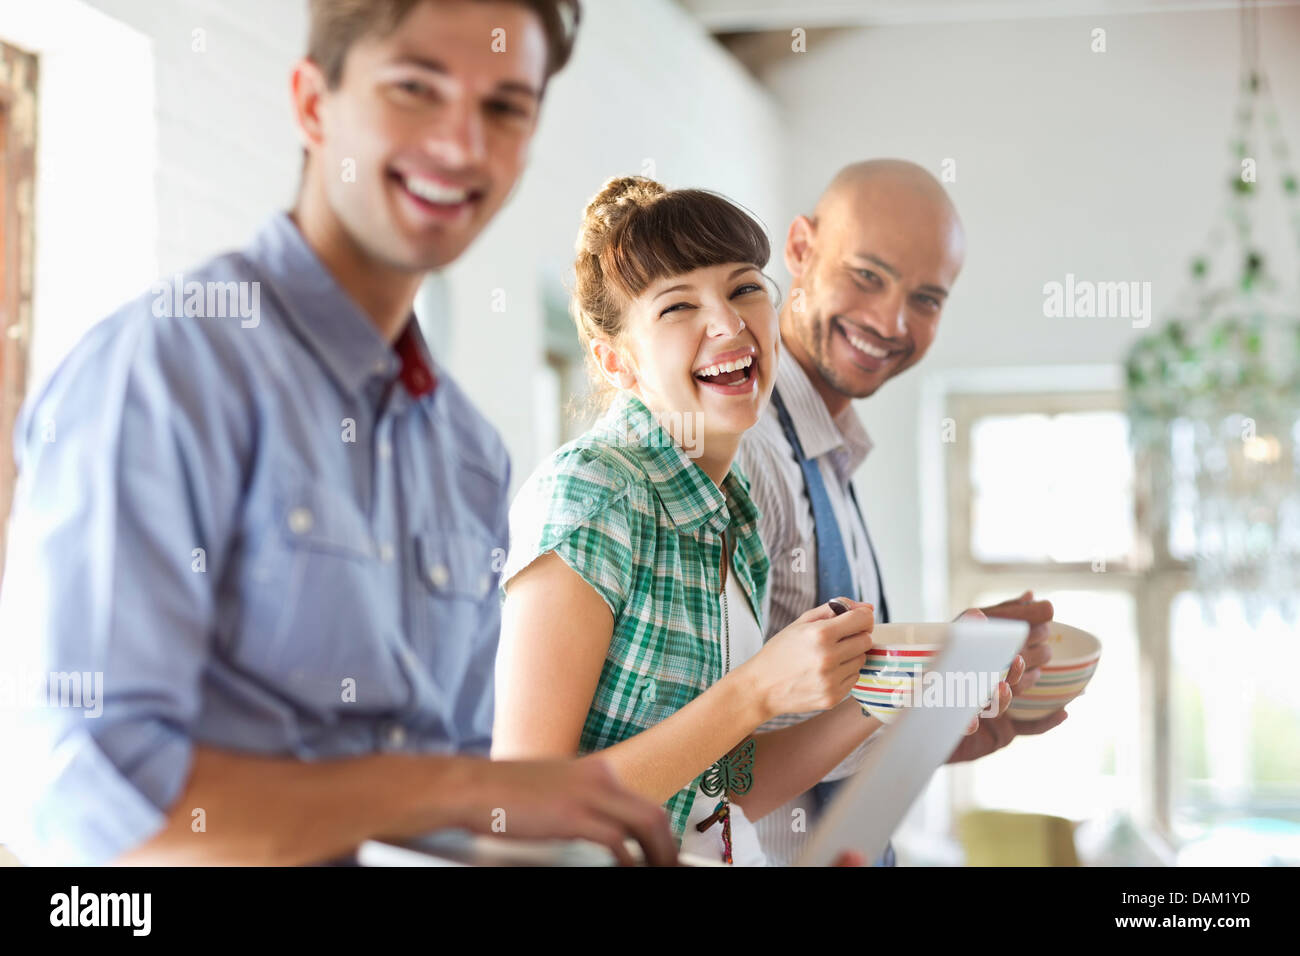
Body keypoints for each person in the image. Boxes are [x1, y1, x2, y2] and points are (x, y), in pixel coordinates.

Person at [0, 0, 679, 867]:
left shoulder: (468, 455)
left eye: (505, 107)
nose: (463, 144)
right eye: (414, 88)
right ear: (314, 103)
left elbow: (447, 811)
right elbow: (88, 799)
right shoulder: (166, 371)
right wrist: (465, 790)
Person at [491, 176, 1019, 865]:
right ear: (615, 360)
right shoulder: (592, 494)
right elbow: (523, 809)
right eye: (678, 306)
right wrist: (755, 691)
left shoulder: (731, 510)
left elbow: (722, 790)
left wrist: (896, 691)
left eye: (744, 288)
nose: (729, 324)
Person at [737, 159, 1067, 866]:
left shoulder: (829, 456)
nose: (891, 321)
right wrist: (906, 690)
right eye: (867, 275)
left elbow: (807, 731)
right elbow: (711, 774)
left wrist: (936, 725)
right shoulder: (747, 452)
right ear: (800, 250)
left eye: (926, 298)